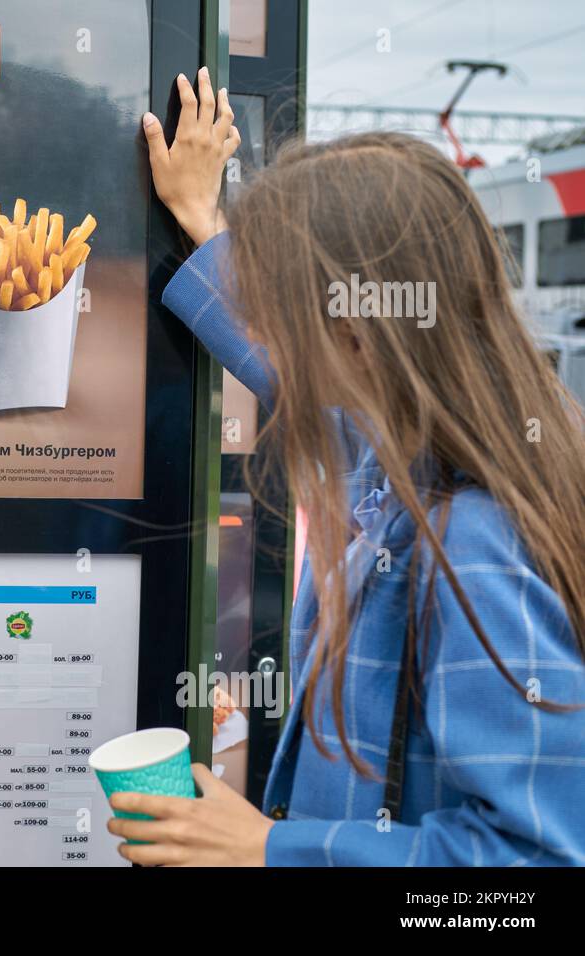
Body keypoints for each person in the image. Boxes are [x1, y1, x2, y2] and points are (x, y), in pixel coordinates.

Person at [107, 67, 585, 866]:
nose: (267, 334)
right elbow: (285, 373)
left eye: (280, 311)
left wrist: (269, 848)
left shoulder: (467, 540)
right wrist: (201, 218)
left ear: (360, 336)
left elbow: (536, 858)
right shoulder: (411, 452)